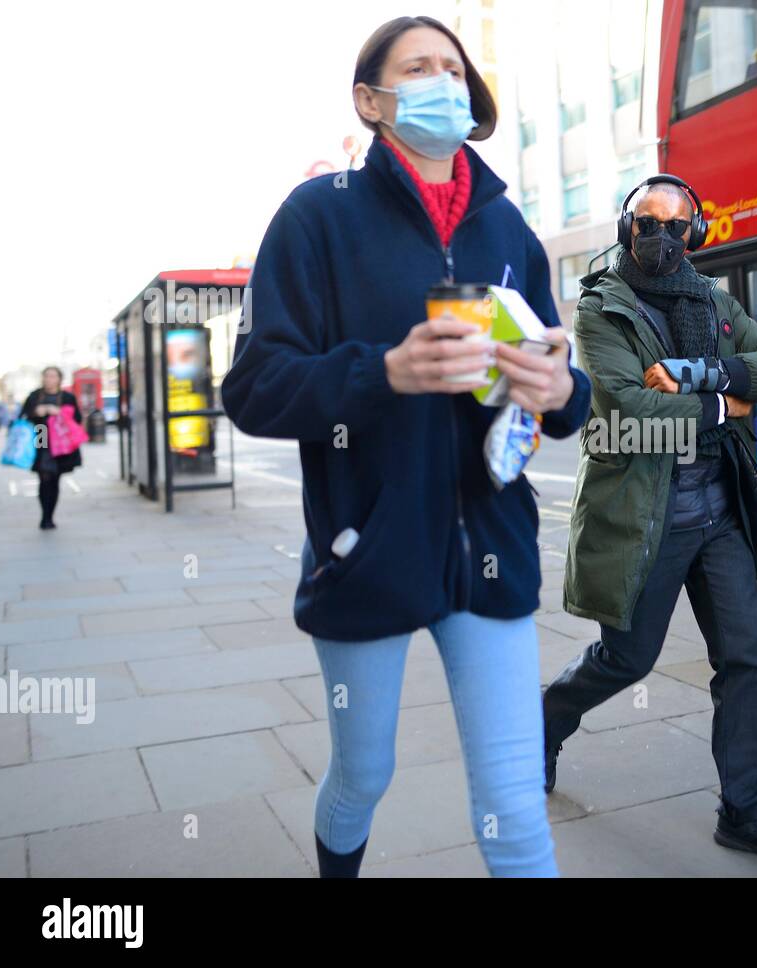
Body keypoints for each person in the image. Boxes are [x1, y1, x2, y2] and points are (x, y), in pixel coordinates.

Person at [221, 16, 591, 878]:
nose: (443, 83)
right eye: (418, 68)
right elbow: (254, 388)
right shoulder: (317, 219)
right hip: (366, 552)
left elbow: (571, 406)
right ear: (371, 100)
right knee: (363, 774)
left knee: (513, 809)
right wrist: (382, 370)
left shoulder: (510, 235)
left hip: (490, 551)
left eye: (454, 71)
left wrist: (560, 387)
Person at [544, 175, 757, 870]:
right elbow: (632, 412)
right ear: (625, 227)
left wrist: (705, 373)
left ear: (694, 233)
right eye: (647, 222)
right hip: (647, 510)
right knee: (626, 658)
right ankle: (540, 725)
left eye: (676, 225)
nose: (661, 238)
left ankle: (745, 810)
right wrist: (723, 406)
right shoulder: (601, 308)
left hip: (719, 509)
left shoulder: (713, 299)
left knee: (746, 658)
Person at [18, 367, 81, 530]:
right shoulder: (35, 395)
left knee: (55, 478)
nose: (49, 379)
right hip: (41, 435)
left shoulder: (67, 397)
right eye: (46, 376)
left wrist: (58, 412)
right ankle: (45, 516)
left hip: (61, 441)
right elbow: (23, 416)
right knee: (44, 476)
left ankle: (49, 515)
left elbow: (77, 419)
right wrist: (35, 412)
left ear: (59, 379)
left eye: (53, 376)